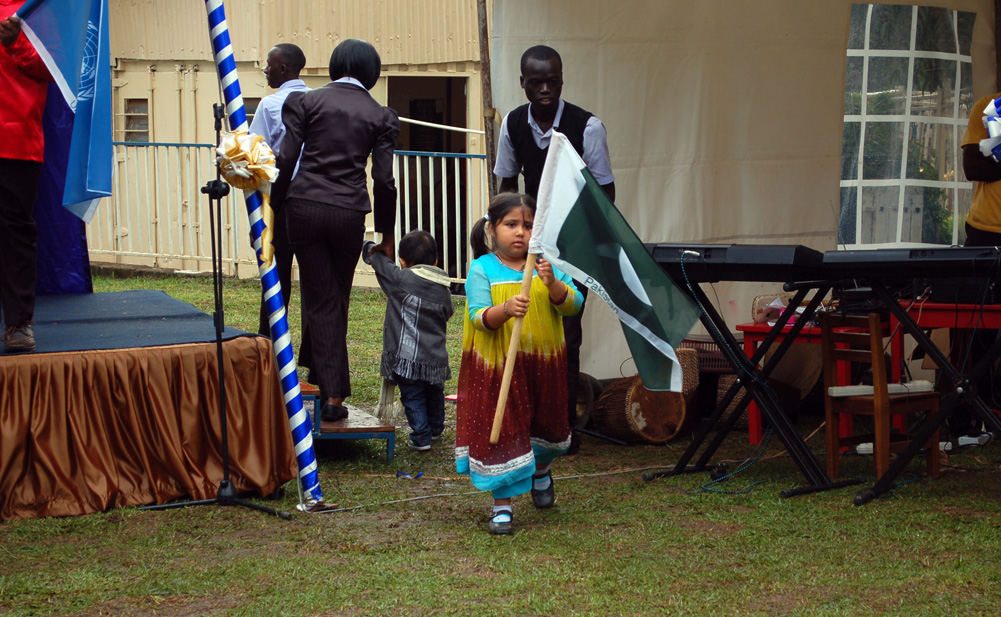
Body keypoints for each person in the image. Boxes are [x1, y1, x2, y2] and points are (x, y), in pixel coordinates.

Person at [270, 39, 400, 424]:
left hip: (304, 207)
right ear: (372, 73)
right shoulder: (380, 115)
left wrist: (274, 210)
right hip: (348, 213)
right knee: (333, 297)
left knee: (321, 296)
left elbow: (286, 157)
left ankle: (325, 384)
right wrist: (387, 234)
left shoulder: (306, 102)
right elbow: (384, 181)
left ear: (334, 65)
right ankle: (333, 395)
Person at [494, 44, 615, 451]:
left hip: (577, 245)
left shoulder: (588, 126)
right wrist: (513, 234)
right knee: (527, 327)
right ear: (523, 82)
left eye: (553, 81)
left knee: (567, 332)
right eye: (536, 82)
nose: (546, 89)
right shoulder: (512, 124)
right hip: (534, 243)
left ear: (562, 80)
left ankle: (562, 427)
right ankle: (528, 422)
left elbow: (606, 193)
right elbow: (506, 188)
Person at [455, 192, 582, 535]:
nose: (520, 233)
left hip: (544, 364)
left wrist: (553, 284)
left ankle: (541, 470)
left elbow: (573, 305)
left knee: (548, 426)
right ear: (492, 228)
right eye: (511, 224)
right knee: (503, 432)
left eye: (528, 225)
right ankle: (502, 506)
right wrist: (505, 310)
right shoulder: (482, 269)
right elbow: (478, 316)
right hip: (500, 369)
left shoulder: (546, 266)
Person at [363, 230, 454, 451]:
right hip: (435, 356)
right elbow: (448, 312)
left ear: (402, 262)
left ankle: (420, 436)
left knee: (412, 395)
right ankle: (434, 429)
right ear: (435, 261)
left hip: (407, 357)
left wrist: (368, 244)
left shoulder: (400, 279)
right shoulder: (444, 287)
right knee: (434, 393)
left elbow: (377, 260)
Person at [250, 43, 310, 338]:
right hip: (314, 198)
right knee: (313, 281)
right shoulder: (317, 100)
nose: (266, 70)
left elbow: (256, 153)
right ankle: (314, 360)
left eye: (269, 64)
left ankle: (269, 344)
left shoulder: (270, 104)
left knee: (276, 274)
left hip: (282, 199)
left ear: (283, 68)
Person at [952, 91, 1001, 445]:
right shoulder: (991, 107)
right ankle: (972, 416)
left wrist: (995, 154)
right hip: (987, 232)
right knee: (975, 331)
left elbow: (988, 163)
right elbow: (973, 166)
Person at [0, 7, 50, 354]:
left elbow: (55, 69)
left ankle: (18, 324)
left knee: (15, 235)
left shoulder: (35, 10)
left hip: (15, 142)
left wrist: (17, 41)